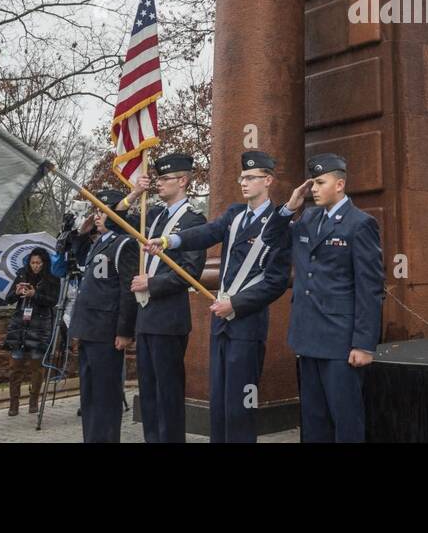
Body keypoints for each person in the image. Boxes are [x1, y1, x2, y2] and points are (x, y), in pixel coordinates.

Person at [144, 150, 293, 443]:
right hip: (221, 323)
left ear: (268, 180)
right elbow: (207, 232)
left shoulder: (278, 224)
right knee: (220, 405)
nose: (244, 183)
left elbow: (276, 283)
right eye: (242, 177)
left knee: (240, 406)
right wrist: (169, 240)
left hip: (247, 324)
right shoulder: (235, 214)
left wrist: (235, 304)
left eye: (251, 177)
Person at [260, 153, 383, 443]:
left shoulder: (360, 223)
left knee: (345, 419)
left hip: (340, 340)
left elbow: (370, 287)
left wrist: (364, 344)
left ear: (339, 184)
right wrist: (290, 206)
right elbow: (270, 239)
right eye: (312, 182)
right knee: (313, 422)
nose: (313, 188)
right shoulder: (307, 218)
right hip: (307, 335)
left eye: (319, 182)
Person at [121, 153, 206, 444]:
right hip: (146, 316)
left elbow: (190, 272)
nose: (158, 184)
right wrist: (135, 192)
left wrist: (151, 282)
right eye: (156, 179)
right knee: (148, 391)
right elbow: (117, 220)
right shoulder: (153, 214)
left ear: (182, 181)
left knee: (168, 392)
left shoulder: (194, 220)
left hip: (169, 317)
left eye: (165, 179)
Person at [67, 188, 138, 443]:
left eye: (103, 210)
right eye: (96, 210)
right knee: (89, 394)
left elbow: (127, 290)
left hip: (107, 329)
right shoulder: (98, 241)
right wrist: (81, 234)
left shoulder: (125, 244)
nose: (98, 216)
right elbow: (74, 258)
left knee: (106, 396)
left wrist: (124, 330)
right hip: (88, 327)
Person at [4, 247, 60, 416]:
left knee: (37, 367)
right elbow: (8, 299)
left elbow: (53, 301)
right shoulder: (22, 274)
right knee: (15, 366)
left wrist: (35, 294)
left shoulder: (52, 278)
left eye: (39, 263)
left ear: (44, 263)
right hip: (20, 326)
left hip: (40, 326)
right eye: (33, 262)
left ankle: (33, 400)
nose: (35, 266)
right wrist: (17, 292)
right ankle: (13, 403)